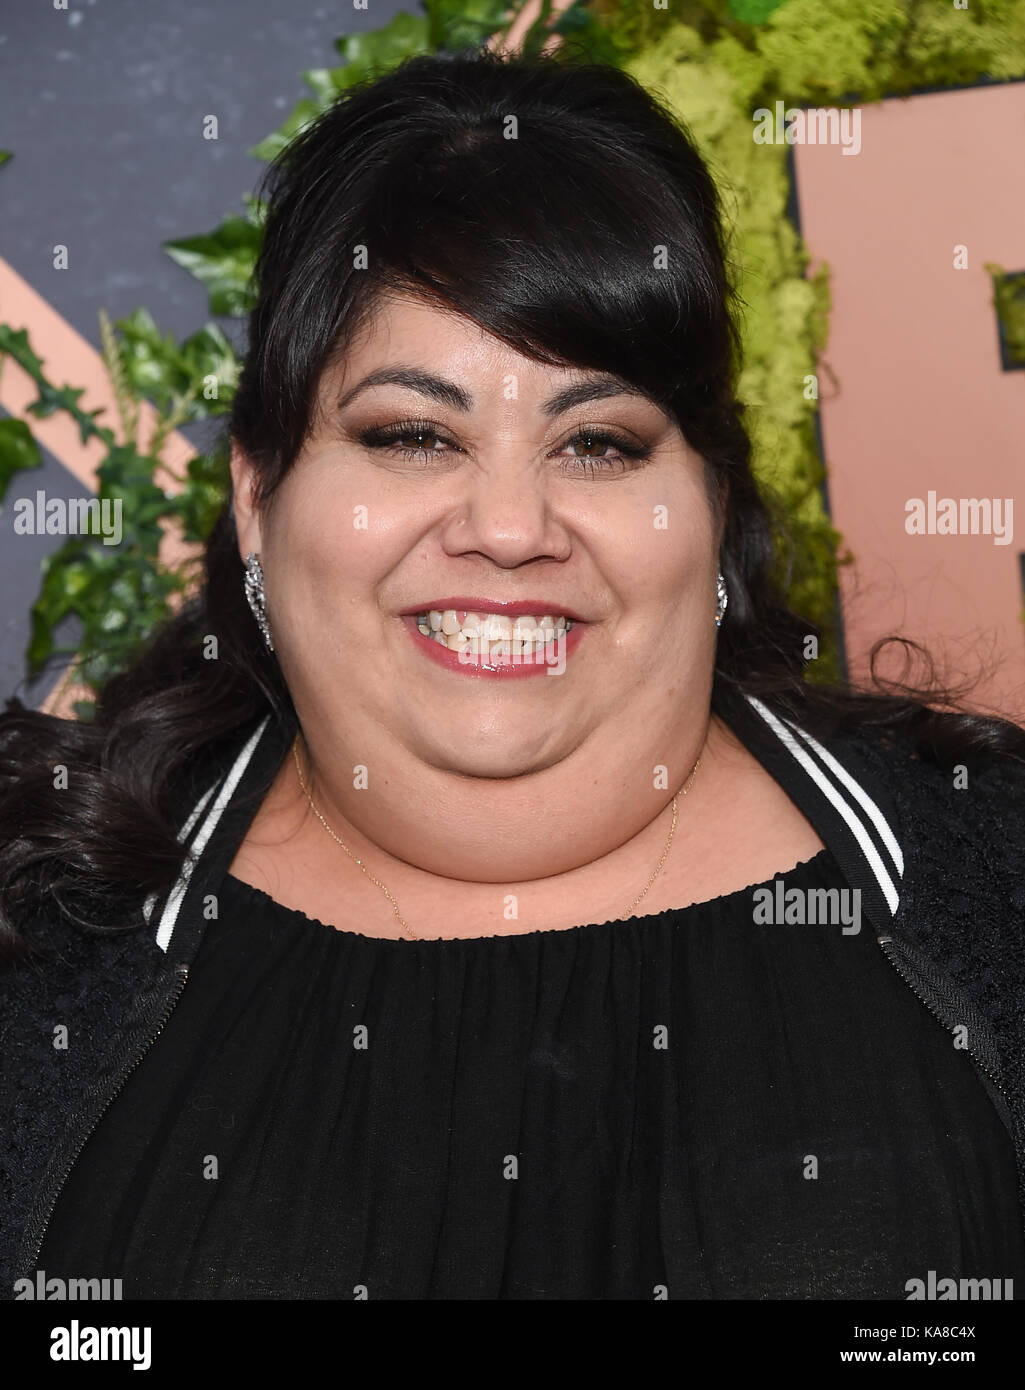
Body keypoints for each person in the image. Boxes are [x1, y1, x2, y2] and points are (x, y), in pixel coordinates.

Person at [2, 46, 1024, 1302]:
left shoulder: (998, 878)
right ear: (258, 497)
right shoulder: (36, 934)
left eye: (595, 442)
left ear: (708, 505)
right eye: (411, 434)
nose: (506, 523)